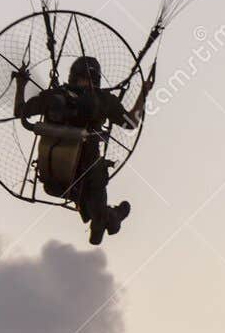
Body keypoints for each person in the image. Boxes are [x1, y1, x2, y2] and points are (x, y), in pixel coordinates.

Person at [13, 55, 152, 245]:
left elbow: (19, 110)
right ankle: (107, 218)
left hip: (55, 179)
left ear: (72, 76)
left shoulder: (55, 96)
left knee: (87, 197)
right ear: (97, 79)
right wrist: (143, 93)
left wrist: (21, 84)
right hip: (88, 174)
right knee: (94, 191)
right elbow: (131, 122)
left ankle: (108, 219)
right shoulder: (102, 100)